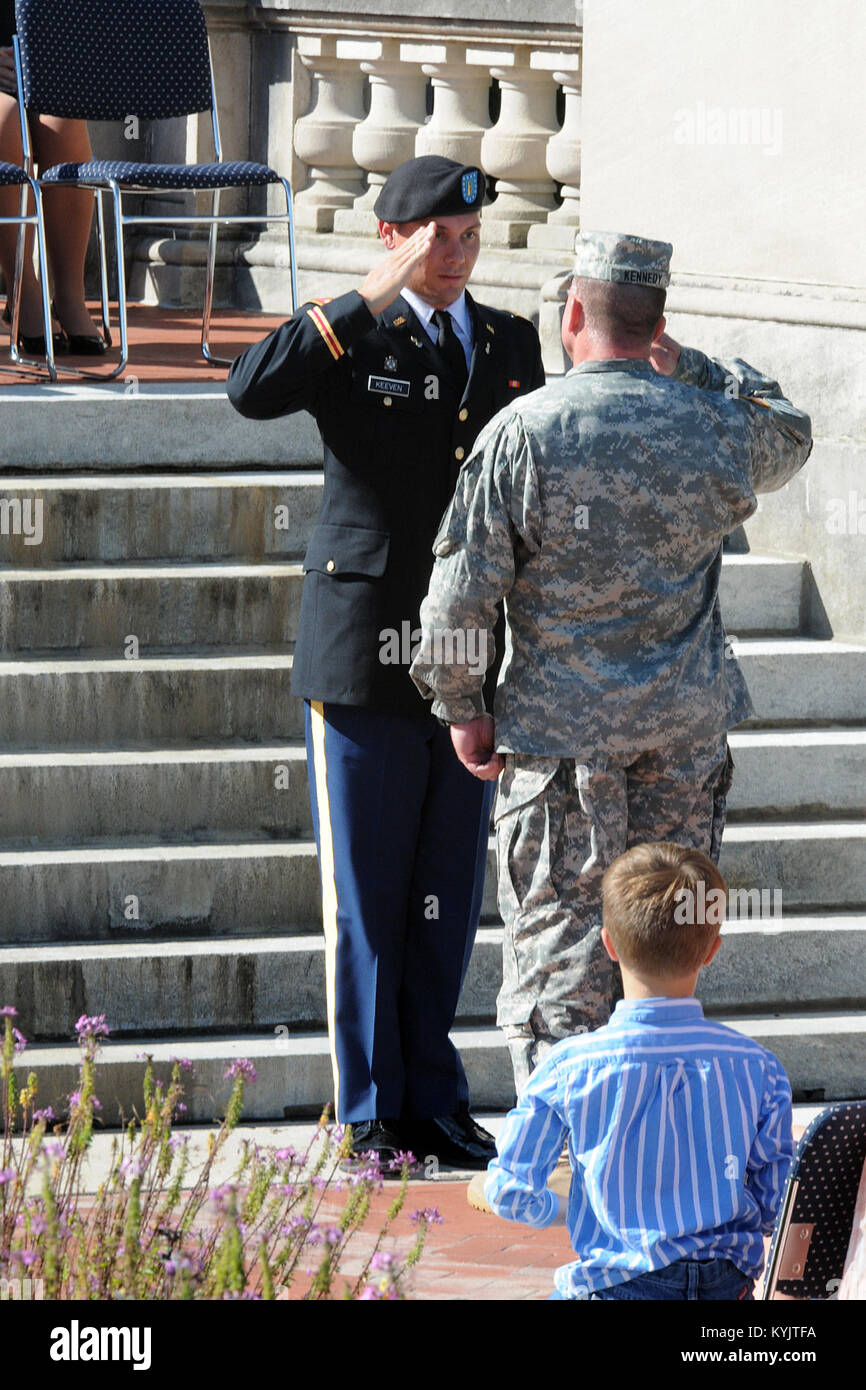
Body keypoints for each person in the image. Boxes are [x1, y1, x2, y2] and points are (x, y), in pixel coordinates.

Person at [410, 230, 813, 1094]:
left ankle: (570, 1155)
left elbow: (452, 608)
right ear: (656, 322)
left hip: (561, 752)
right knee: (668, 955)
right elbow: (791, 432)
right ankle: (662, 1141)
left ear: (572, 316)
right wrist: (696, 365)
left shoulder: (523, 432)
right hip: (684, 740)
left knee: (560, 960)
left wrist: (462, 708)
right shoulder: (714, 425)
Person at [227, 155, 545, 1169]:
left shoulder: (505, 342)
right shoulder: (350, 331)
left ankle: (433, 1101)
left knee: (444, 891)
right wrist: (370, 294)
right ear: (392, 238)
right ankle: (368, 1110)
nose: (453, 257)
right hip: (364, 652)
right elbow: (252, 390)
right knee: (368, 899)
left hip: (463, 658)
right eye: (433, 240)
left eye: (465, 239)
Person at [482, 842, 794, 1300]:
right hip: (728, 1287)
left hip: (615, 1285)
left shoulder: (568, 1068)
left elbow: (510, 1192)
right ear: (711, 950)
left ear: (607, 943)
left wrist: (567, 1207)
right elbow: (776, 1207)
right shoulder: (758, 1068)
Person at [0, 0, 105, 354]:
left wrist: (48, 59)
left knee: (64, 123)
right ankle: (25, 293)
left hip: (34, 67)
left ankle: (69, 297)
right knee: (6, 122)